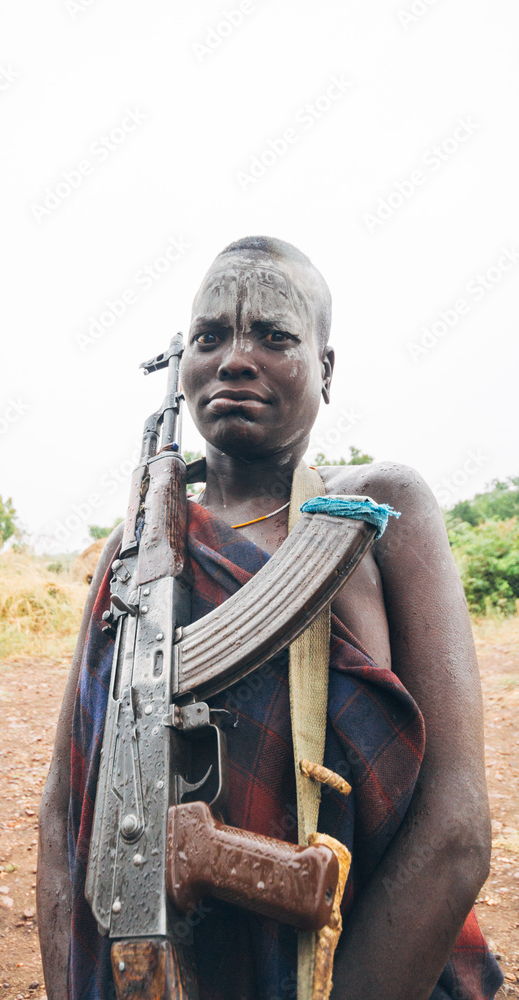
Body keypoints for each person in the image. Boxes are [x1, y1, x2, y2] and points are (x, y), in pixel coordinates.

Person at [38, 236, 502, 1000]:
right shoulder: (132, 556)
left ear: (325, 368)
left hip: (360, 961)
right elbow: (67, 816)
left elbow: (454, 832)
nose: (234, 359)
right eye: (210, 337)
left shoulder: (378, 506)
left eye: (274, 336)